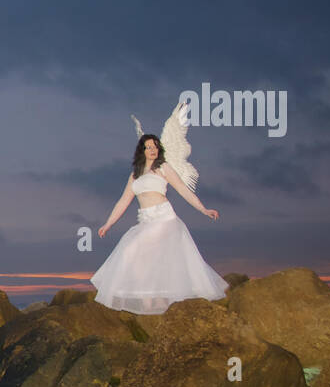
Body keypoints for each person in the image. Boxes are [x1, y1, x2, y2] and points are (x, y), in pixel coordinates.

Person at [90, 105, 228, 314]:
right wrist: (108, 224)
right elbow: (123, 201)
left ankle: (156, 302)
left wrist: (204, 209)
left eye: (155, 146)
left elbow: (183, 190)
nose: (153, 150)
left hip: (164, 218)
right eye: (148, 147)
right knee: (133, 255)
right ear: (142, 150)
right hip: (145, 220)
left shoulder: (164, 167)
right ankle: (148, 301)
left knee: (137, 252)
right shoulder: (135, 174)